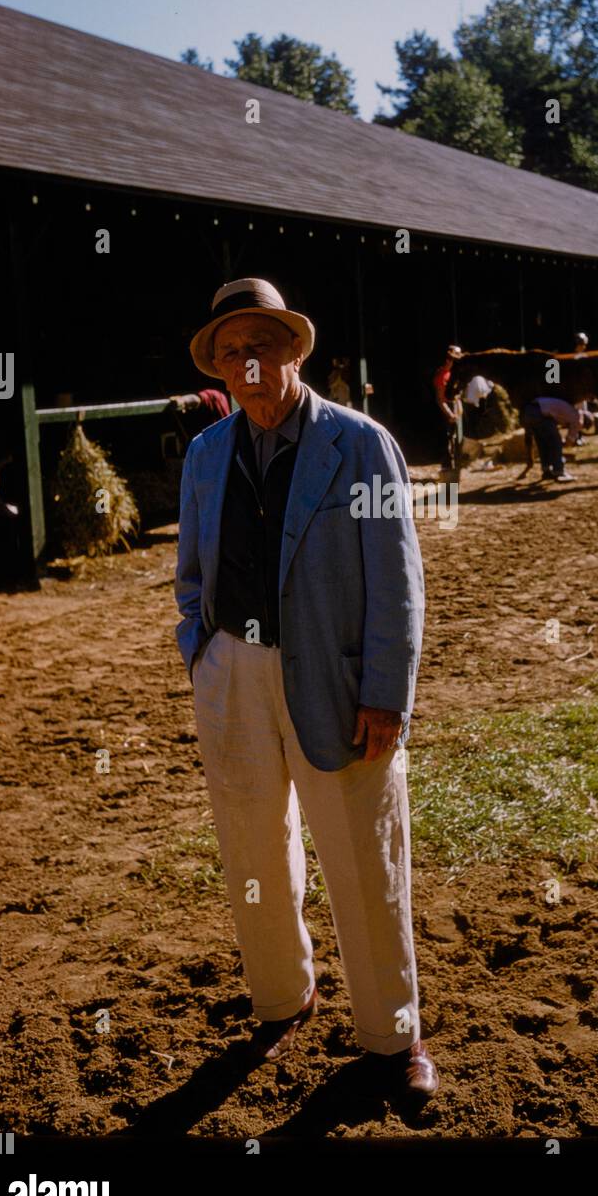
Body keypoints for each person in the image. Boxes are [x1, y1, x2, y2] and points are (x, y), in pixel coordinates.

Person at [174, 276, 438, 1100]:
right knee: (250, 844)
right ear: (218, 369)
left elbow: (397, 580)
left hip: (336, 676)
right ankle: (282, 997)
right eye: (229, 351)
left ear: (294, 350)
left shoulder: (360, 444)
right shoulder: (205, 452)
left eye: (260, 344)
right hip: (233, 674)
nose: (246, 362)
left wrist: (386, 691)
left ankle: (392, 1036)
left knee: (363, 852)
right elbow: (190, 572)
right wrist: (201, 653)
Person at [520, 395, 580, 482]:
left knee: (542, 442)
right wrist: (564, 443)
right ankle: (559, 471)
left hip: (528, 410)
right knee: (555, 442)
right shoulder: (576, 416)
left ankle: (546, 470)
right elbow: (570, 439)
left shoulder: (568, 410)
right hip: (540, 413)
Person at [432, 344, 464, 477]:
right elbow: (440, 399)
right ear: (447, 360)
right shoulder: (441, 375)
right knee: (447, 439)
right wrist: (449, 414)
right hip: (446, 409)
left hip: (455, 408)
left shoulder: (453, 374)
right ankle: (447, 470)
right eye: (453, 359)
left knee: (456, 440)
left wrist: (459, 409)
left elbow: (457, 395)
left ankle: (456, 469)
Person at [461, 371, 494, 438]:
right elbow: (482, 395)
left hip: (471, 402)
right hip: (473, 403)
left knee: (472, 419)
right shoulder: (480, 381)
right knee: (474, 419)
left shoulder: (476, 380)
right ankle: (473, 433)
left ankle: (472, 432)